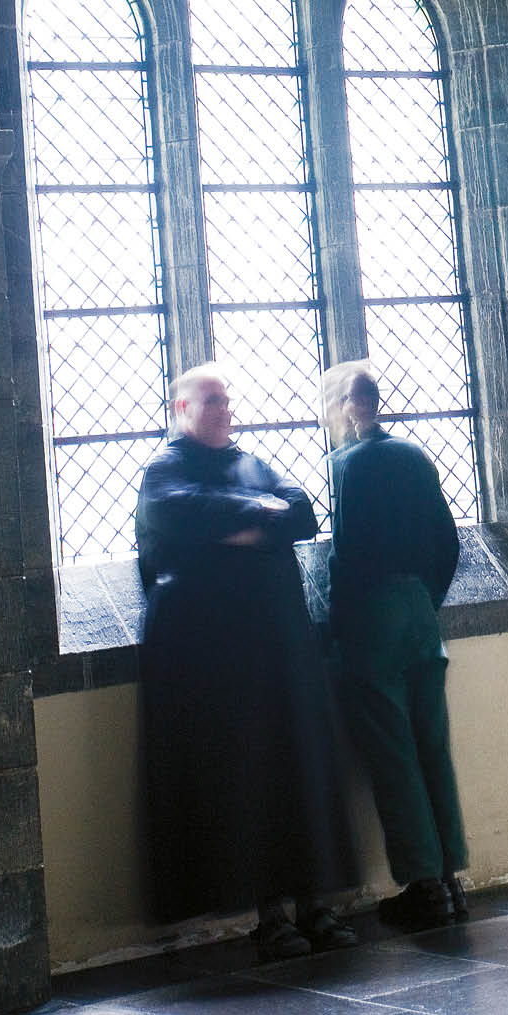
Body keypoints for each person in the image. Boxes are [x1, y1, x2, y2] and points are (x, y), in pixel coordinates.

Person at [135, 364, 359, 960]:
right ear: (181, 409)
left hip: (278, 651)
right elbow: (184, 514)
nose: (224, 410)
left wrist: (242, 522)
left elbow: (303, 511)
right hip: (216, 663)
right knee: (246, 782)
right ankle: (271, 915)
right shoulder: (162, 470)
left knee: (297, 774)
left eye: (227, 401)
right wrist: (261, 517)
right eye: (210, 401)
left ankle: (314, 906)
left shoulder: (254, 463)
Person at [321, 360, 469, 929]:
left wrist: (340, 624)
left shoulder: (345, 465)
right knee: (433, 744)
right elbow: (447, 542)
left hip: (373, 617)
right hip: (420, 615)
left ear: (347, 406)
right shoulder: (414, 456)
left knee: (393, 752)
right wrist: (424, 599)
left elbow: (348, 553)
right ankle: (452, 878)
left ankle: (423, 885)